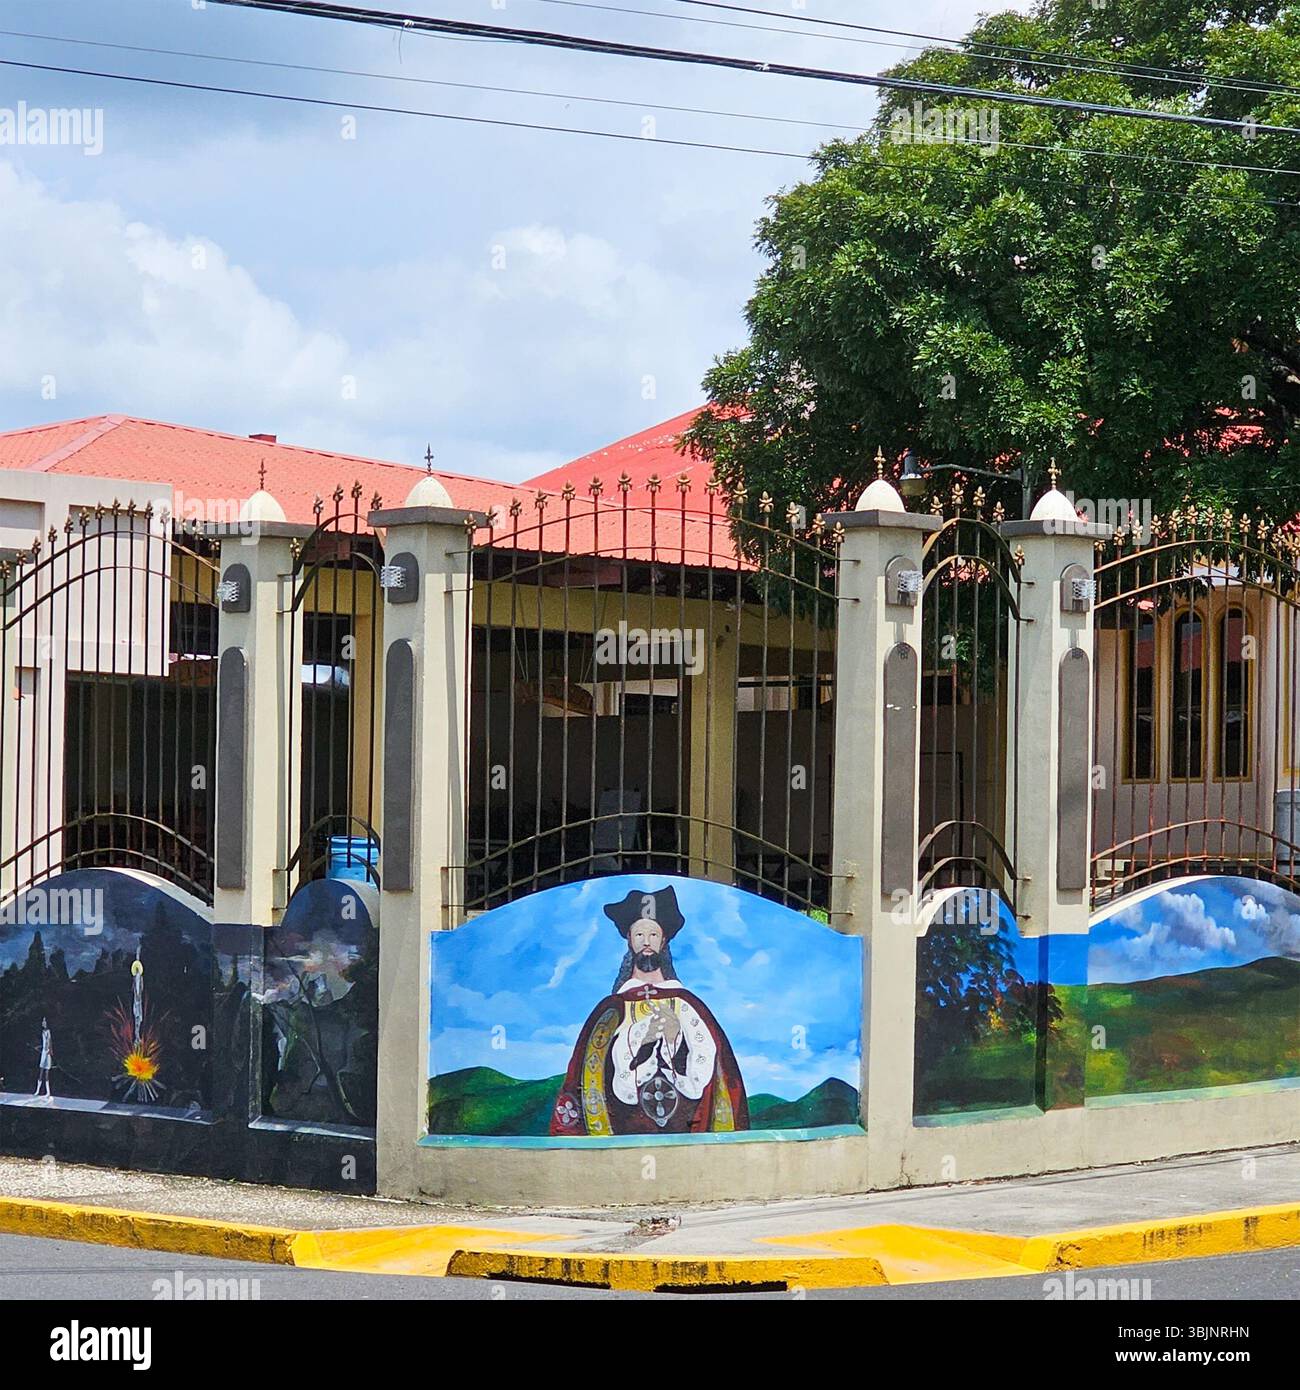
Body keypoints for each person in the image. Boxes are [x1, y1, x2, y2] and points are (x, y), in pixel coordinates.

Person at [550, 886, 748, 1136]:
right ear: (629, 940)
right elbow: (594, 1070)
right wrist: (642, 1038)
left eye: (653, 934)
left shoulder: (687, 1003)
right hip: (623, 1129)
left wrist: (675, 1038)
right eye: (639, 934)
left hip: (682, 1131)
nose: (646, 941)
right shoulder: (612, 1008)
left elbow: (710, 1066)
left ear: (663, 941)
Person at [34, 1017, 52, 1099]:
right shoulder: (42, 1032)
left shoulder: (48, 1031)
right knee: (41, 1071)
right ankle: (38, 1090)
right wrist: (39, 1047)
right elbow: (44, 1043)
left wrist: (50, 1050)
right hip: (43, 1054)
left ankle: (48, 1092)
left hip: (47, 1053)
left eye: (44, 1022)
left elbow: (49, 1041)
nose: (43, 1023)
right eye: (42, 1022)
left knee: (46, 1073)